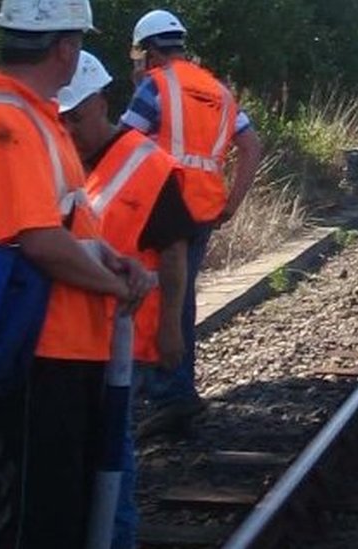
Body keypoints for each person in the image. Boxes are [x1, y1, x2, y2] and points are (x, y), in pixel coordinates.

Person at [0, 1, 152, 546]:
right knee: (38, 519)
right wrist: (115, 286)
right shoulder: (8, 121)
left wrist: (107, 256)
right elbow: (39, 241)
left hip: (59, 341)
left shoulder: (35, 116)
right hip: (33, 345)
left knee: (64, 510)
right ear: (65, 48)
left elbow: (61, 224)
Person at [57, 50, 198, 549]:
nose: (69, 128)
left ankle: (116, 538)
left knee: (111, 446)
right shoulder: (60, 158)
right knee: (90, 446)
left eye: (76, 117)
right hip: (72, 334)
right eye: (62, 119)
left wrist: (171, 328)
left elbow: (174, 253)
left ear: (101, 102)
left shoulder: (148, 165)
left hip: (126, 334)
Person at [122, 9, 262, 436]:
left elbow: (121, 146)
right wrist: (232, 203)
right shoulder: (218, 90)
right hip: (204, 209)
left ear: (148, 51)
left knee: (156, 296)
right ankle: (174, 389)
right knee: (179, 296)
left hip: (160, 209)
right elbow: (252, 146)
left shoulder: (154, 86)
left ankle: (167, 392)